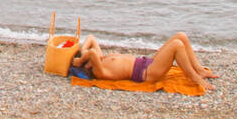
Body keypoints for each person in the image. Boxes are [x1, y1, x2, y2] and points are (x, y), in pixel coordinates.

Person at [72, 32, 217, 91]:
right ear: (88, 66)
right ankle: (194, 77)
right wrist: (80, 60)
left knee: (181, 36)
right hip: (148, 73)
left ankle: (198, 70)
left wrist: (82, 51)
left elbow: (91, 38)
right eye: (88, 61)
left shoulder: (101, 58)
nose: (94, 57)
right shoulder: (99, 71)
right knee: (177, 45)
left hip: (148, 62)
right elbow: (91, 53)